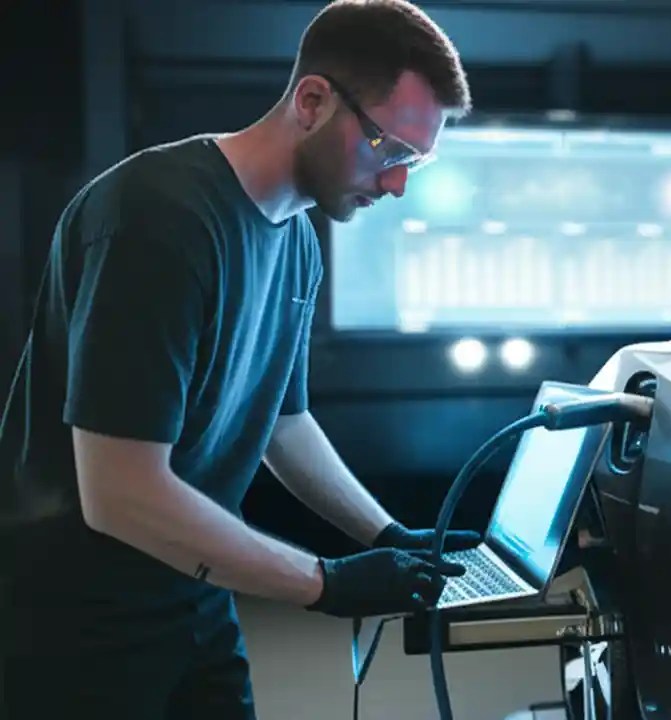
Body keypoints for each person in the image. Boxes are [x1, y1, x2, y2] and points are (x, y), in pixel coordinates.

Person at [0, 1, 480, 717]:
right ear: (312, 101)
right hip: (75, 629)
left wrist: (387, 536)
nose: (396, 185)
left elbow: (285, 426)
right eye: (389, 149)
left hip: (193, 603)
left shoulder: (296, 246)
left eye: (416, 162)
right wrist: (328, 581)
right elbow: (121, 495)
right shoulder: (158, 219)